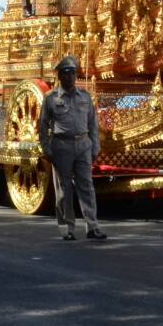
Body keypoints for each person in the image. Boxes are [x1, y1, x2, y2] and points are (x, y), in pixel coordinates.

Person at [37, 55, 105, 241]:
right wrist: (47, 149)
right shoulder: (51, 98)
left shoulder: (84, 97)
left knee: (87, 187)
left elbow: (93, 124)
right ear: (60, 76)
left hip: (83, 145)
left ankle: (92, 226)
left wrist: (94, 147)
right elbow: (43, 126)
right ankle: (67, 228)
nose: (70, 77)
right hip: (62, 146)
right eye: (66, 74)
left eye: (73, 73)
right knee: (64, 190)